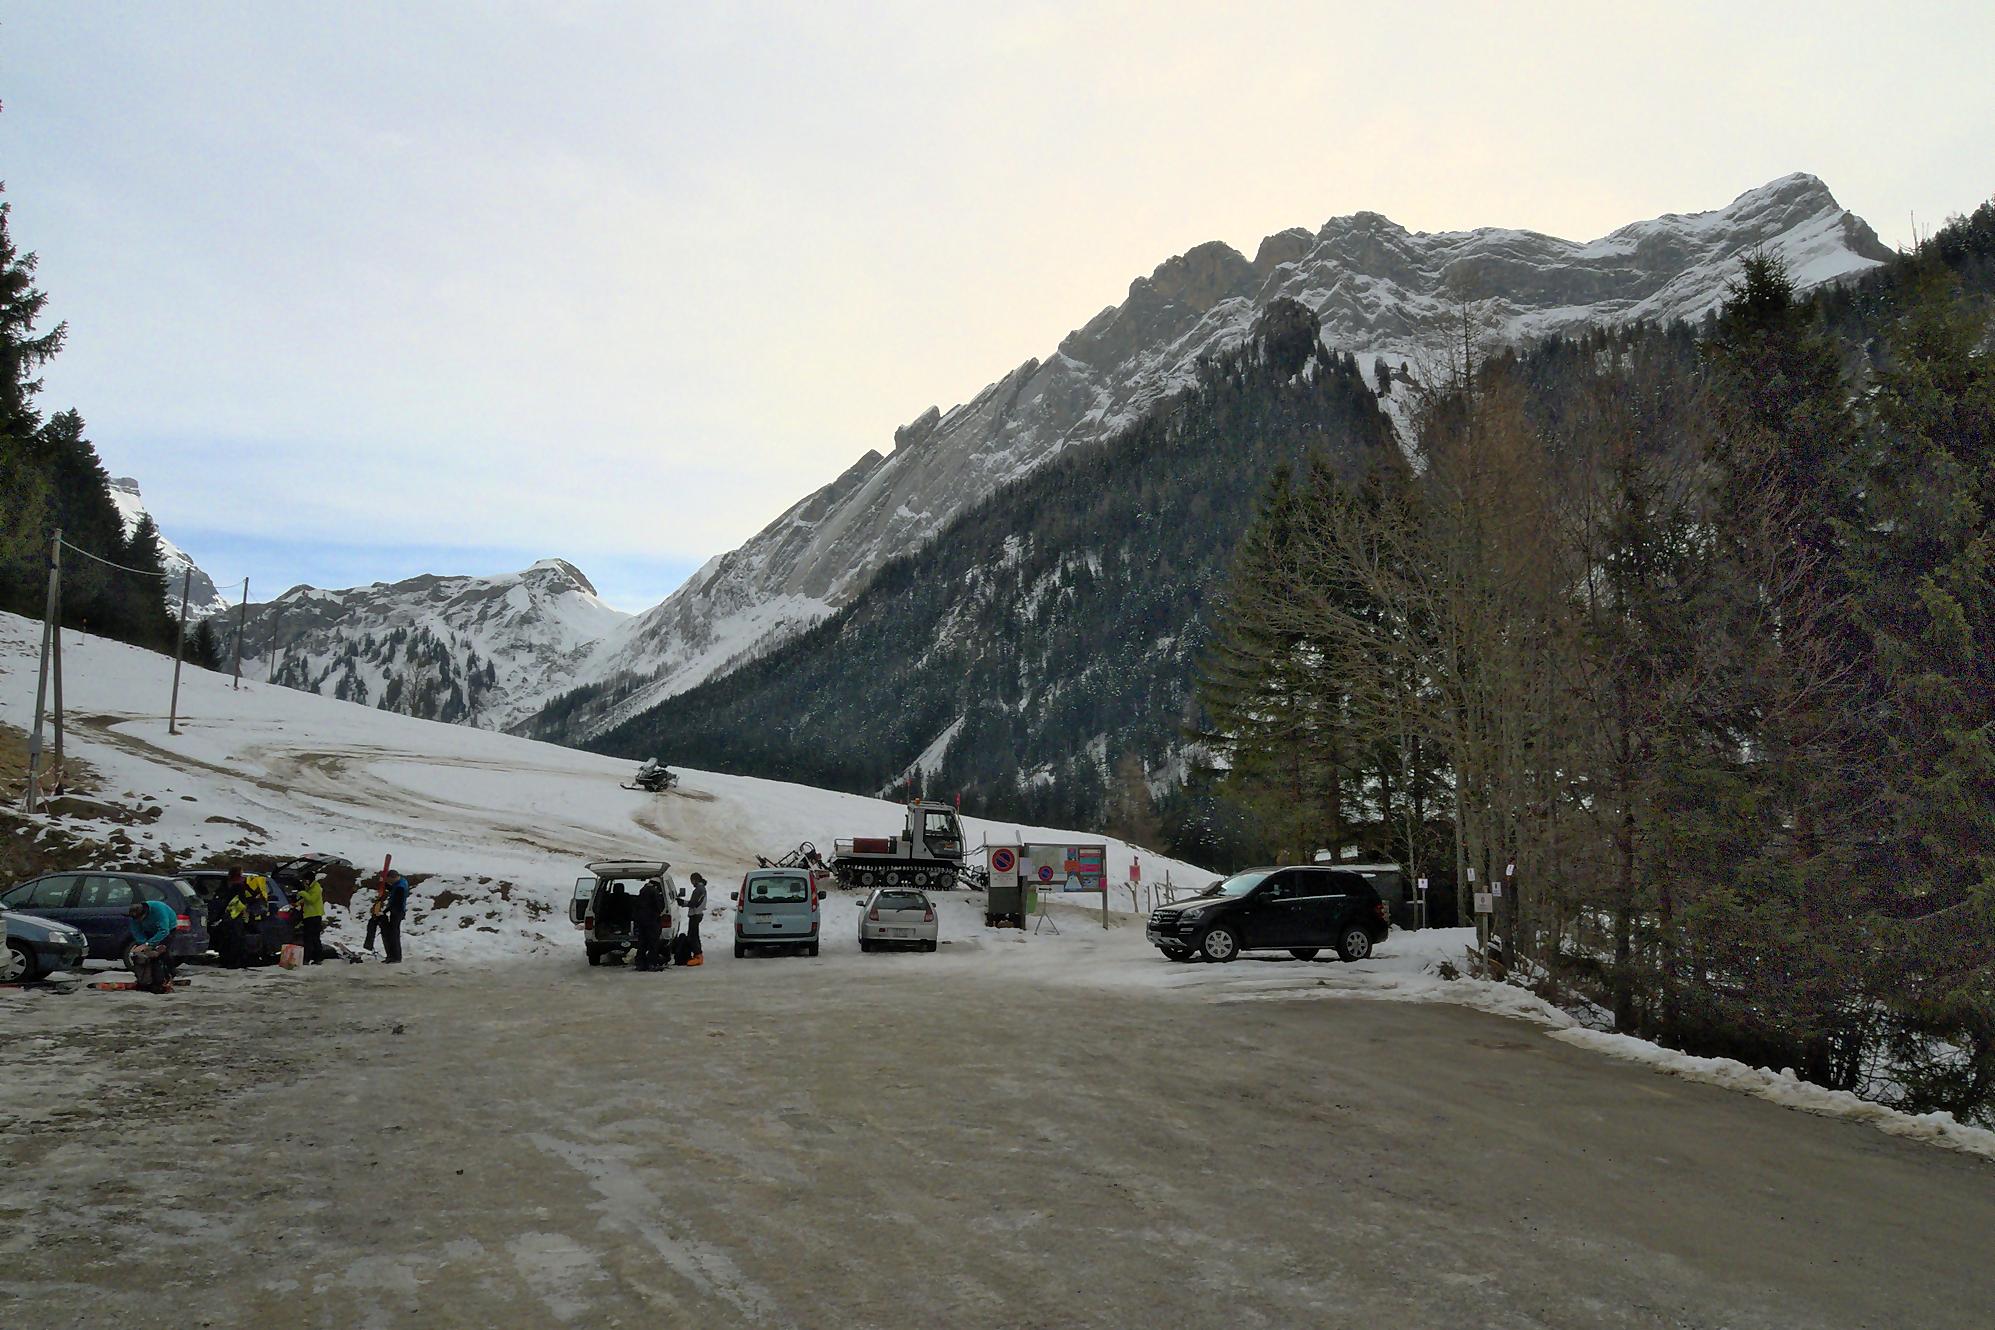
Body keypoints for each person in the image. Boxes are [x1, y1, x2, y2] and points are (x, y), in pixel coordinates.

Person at [126, 898, 178, 993]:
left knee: (159, 953)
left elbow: (164, 931)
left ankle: (169, 975)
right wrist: (143, 944)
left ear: (145, 914)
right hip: (149, 931)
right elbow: (136, 931)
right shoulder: (134, 917)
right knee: (143, 955)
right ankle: (145, 979)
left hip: (167, 930)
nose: (137, 921)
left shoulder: (159, 910)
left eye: (139, 919)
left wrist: (148, 944)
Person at [213, 868, 248, 969]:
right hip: (235, 917)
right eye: (241, 875)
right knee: (234, 941)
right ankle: (234, 962)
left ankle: (231, 962)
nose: (242, 877)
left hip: (231, 918)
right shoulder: (239, 887)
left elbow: (225, 902)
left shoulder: (232, 887)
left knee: (230, 941)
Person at [632, 877, 666, 971]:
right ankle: (652, 963)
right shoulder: (654, 891)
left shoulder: (642, 890)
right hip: (651, 921)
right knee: (653, 943)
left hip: (641, 921)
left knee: (642, 943)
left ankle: (640, 964)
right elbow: (659, 906)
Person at [677, 873, 707, 966]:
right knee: (694, 935)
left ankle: (698, 955)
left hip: (695, 914)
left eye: (692, 880)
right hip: (697, 914)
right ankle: (697, 955)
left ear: (695, 880)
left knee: (693, 936)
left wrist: (682, 902)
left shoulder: (698, 890)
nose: (691, 883)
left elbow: (693, 903)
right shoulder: (701, 889)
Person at [296, 873, 327, 964]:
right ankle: (314, 958)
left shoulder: (316, 888)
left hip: (314, 916)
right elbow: (306, 899)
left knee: (312, 938)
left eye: (306, 880)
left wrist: (302, 892)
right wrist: (297, 903)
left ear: (310, 880)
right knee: (310, 938)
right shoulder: (310, 888)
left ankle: (313, 958)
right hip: (309, 916)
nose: (304, 882)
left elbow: (311, 899)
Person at [382, 871, 409, 963]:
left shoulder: (400, 887)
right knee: (393, 933)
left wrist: (385, 910)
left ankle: (396, 957)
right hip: (398, 911)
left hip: (397, 912)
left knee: (393, 934)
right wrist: (386, 885)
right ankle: (394, 956)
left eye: (389, 880)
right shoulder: (401, 882)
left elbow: (396, 901)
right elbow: (393, 890)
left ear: (392, 877)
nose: (389, 882)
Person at [363, 877, 387, 953]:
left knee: (386, 933)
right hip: (377, 913)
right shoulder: (378, 895)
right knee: (371, 927)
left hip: (383, 915)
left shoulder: (387, 893)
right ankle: (368, 946)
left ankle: (389, 950)